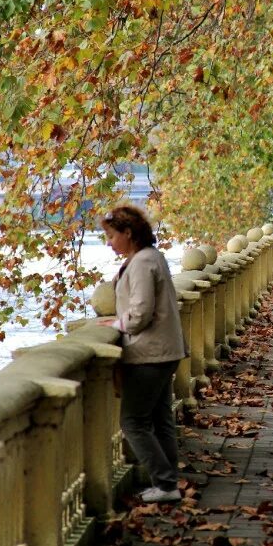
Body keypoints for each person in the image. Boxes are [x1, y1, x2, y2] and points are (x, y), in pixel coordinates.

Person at [99, 204, 187, 503]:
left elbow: (140, 313)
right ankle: (168, 482)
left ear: (128, 233)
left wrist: (116, 324)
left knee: (133, 421)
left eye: (111, 236)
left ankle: (164, 484)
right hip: (165, 350)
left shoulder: (141, 263)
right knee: (160, 419)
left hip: (150, 353)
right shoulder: (152, 257)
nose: (109, 243)